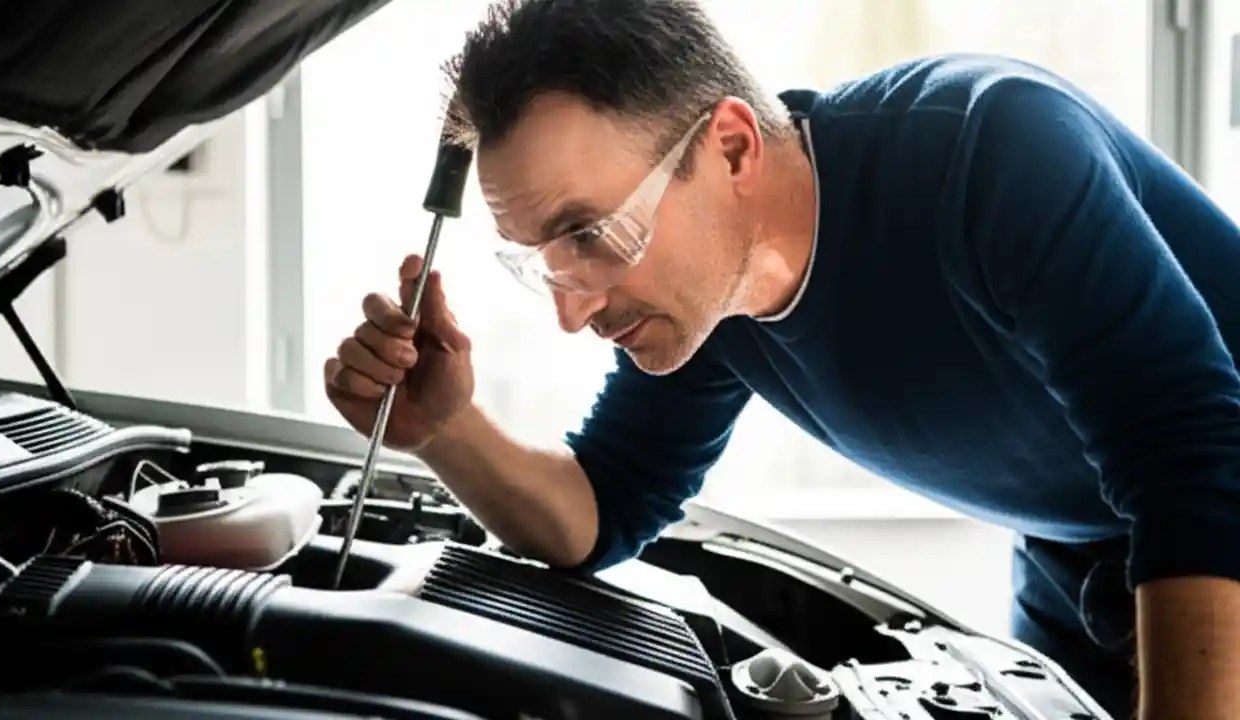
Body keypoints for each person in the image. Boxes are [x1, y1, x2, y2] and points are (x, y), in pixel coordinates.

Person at [323, 1, 1240, 717]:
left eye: (592, 235)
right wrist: (444, 429)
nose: (573, 311)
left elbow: (1192, 458)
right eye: (543, 263)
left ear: (730, 145)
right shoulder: (718, 308)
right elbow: (603, 508)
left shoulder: (986, 148)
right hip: (1083, 567)